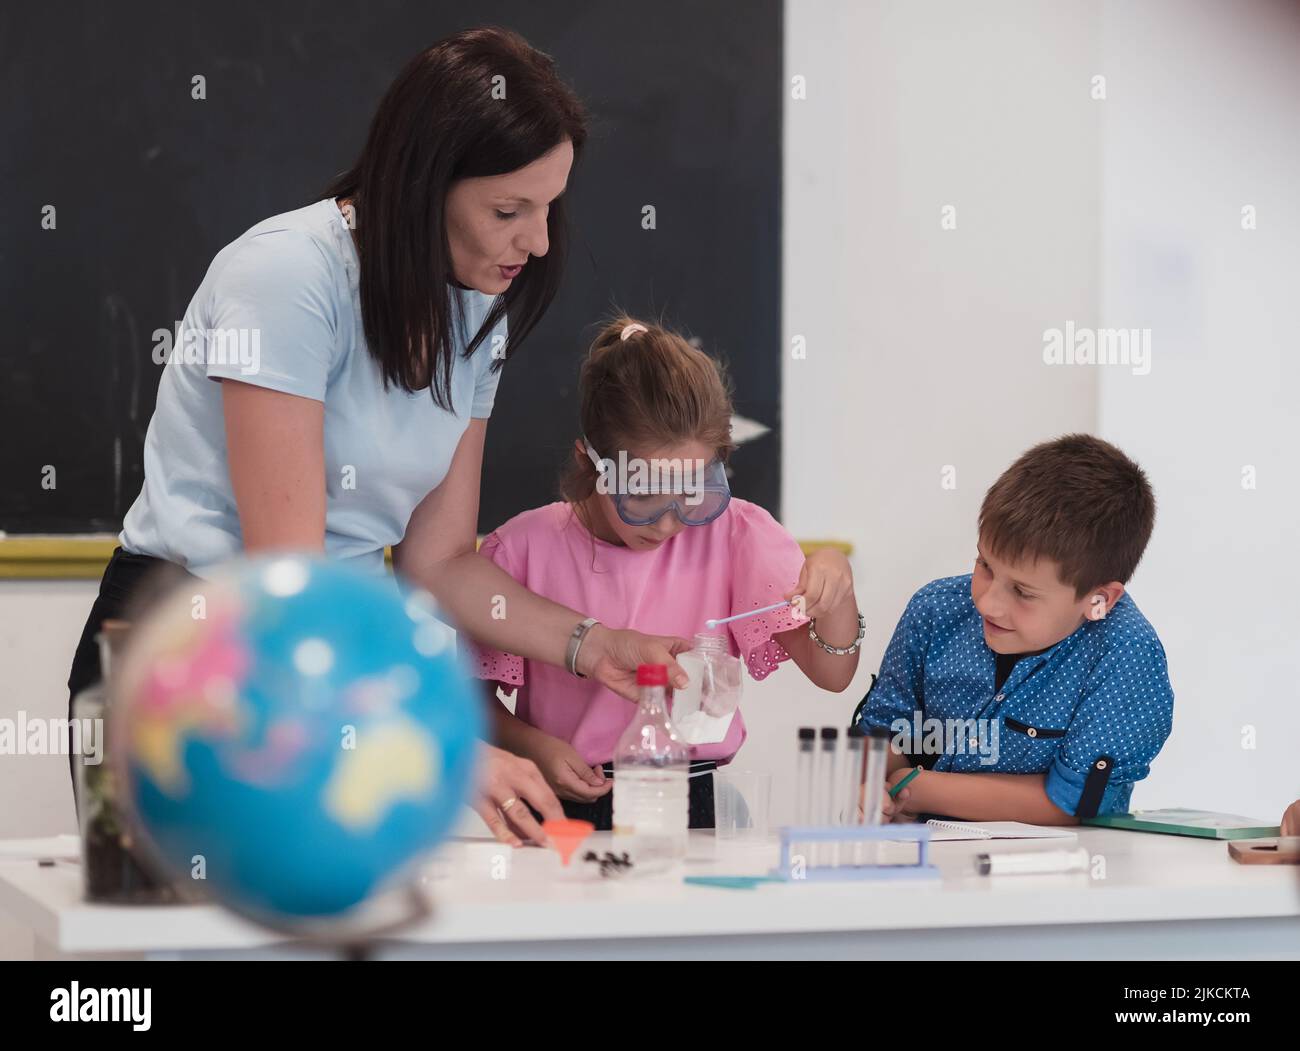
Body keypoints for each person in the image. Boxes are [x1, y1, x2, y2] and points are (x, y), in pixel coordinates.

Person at [67, 28, 691, 848]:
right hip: (186, 653)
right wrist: (443, 751)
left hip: (335, 664)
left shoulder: (475, 311)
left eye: (549, 205)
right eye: (509, 210)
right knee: (172, 939)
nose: (538, 242)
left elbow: (439, 564)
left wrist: (593, 645)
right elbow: (285, 582)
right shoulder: (286, 278)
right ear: (424, 183)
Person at [465, 316, 863, 829]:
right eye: (645, 496)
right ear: (591, 462)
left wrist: (838, 583)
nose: (669, 522)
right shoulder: (520, 550)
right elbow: (468, 702)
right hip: (560, 800)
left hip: (694, 805)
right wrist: (533, 745)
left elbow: (833, 674)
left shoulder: (737, 535)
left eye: (692, 495)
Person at [857, 434, 1174, 824]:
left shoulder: (1126, 653)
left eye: (1023, 591)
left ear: (1099, 600)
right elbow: (883, 737)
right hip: (920, 865)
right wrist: (870, 779)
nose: (988, 603)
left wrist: (913, 787)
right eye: (985, 565)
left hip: (1057, 876)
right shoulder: (934, 610)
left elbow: (1072, 805)